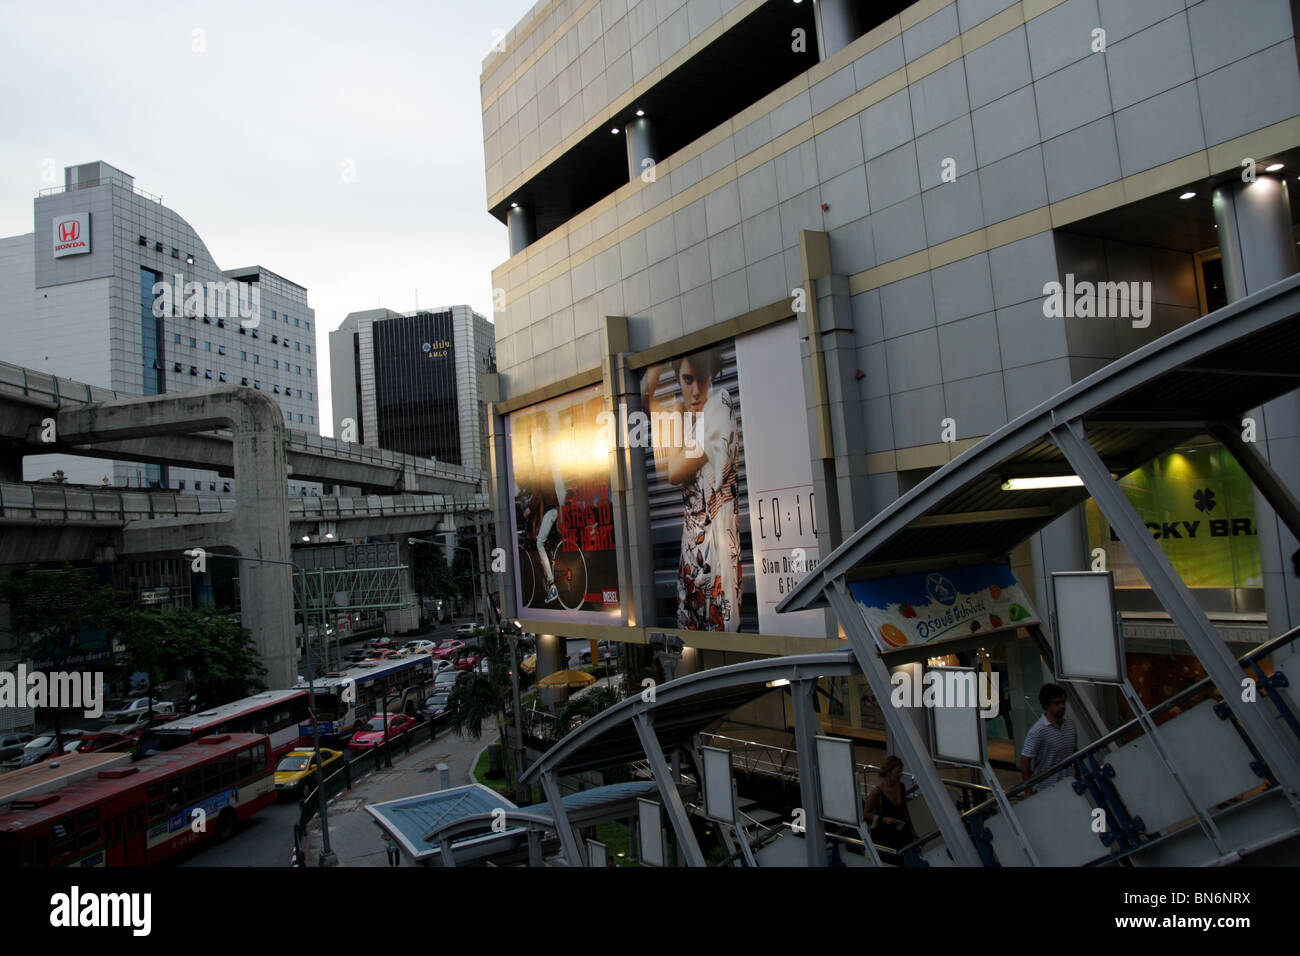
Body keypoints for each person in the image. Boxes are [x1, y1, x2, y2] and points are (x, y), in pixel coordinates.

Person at [641, 348, 742, 631]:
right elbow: (643, 400)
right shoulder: (686, 422)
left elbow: (674, 472)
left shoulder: (719, 409)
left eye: (702, 379)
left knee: (722, 631)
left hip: (718, 546)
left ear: (712, 378)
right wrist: (660, 349)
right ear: (678, 380)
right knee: (691, 638)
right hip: (690, 548)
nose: (696, 391)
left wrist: (674, 414)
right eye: (687, 380)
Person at [1020, 682, 1078, 794]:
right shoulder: (1038, 730)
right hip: (1047, 788)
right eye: (1057, 703)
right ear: (1047, 705)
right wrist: (1028, 790)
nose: (1062, 706)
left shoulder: (1070, 724)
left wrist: (1077, 776)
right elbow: (1025, 759)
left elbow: (1074, 752)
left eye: (1063, 702)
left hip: (1070, 784)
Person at [864, 755, 916, 858]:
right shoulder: (877, 793)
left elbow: (905, 810)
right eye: (898, 772)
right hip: (885, 836)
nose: (901, 775)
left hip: (901, 832)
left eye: (901, 772)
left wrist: (912, 830)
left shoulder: (901, 786)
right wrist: (883, 819)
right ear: (888, 772)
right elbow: (865, 814)